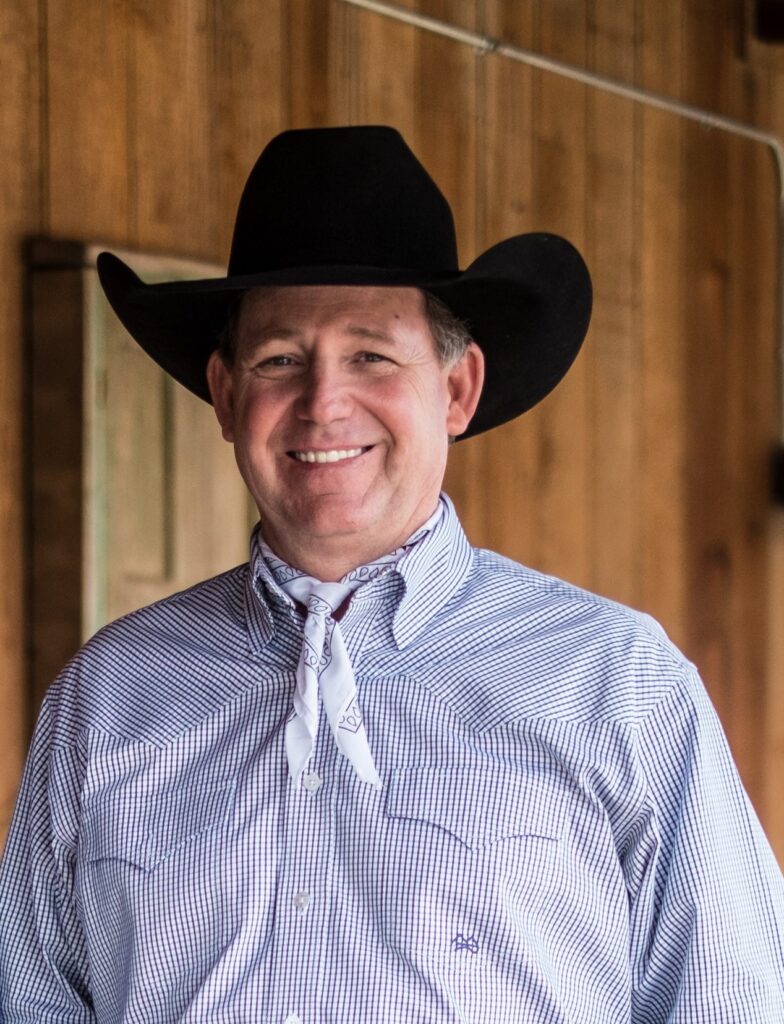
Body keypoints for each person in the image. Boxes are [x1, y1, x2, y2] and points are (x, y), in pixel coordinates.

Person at [1, 126, 782, 1023]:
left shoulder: (617, 685)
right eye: (280, 359)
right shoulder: (106, 699)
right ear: (225, 394)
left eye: (371, 354)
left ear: (456, 389)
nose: (323, 402)